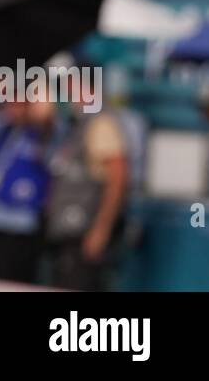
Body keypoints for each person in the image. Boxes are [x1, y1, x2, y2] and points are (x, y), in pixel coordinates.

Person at [43, 72, 130, 291]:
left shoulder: (100, 122)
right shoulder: (77, 124)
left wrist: (102, 228)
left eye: (73, 86)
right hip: (70, 229)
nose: (69, 94)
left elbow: (118, 178)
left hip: (85, 231)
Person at [0, 98, 55, 284]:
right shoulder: (6, 132)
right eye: (10, 104)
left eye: (19, 104)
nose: (13, 109)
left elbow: (47, 117)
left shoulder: (41, 133)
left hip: (25, 223)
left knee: (17, 279)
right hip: (2, 218)